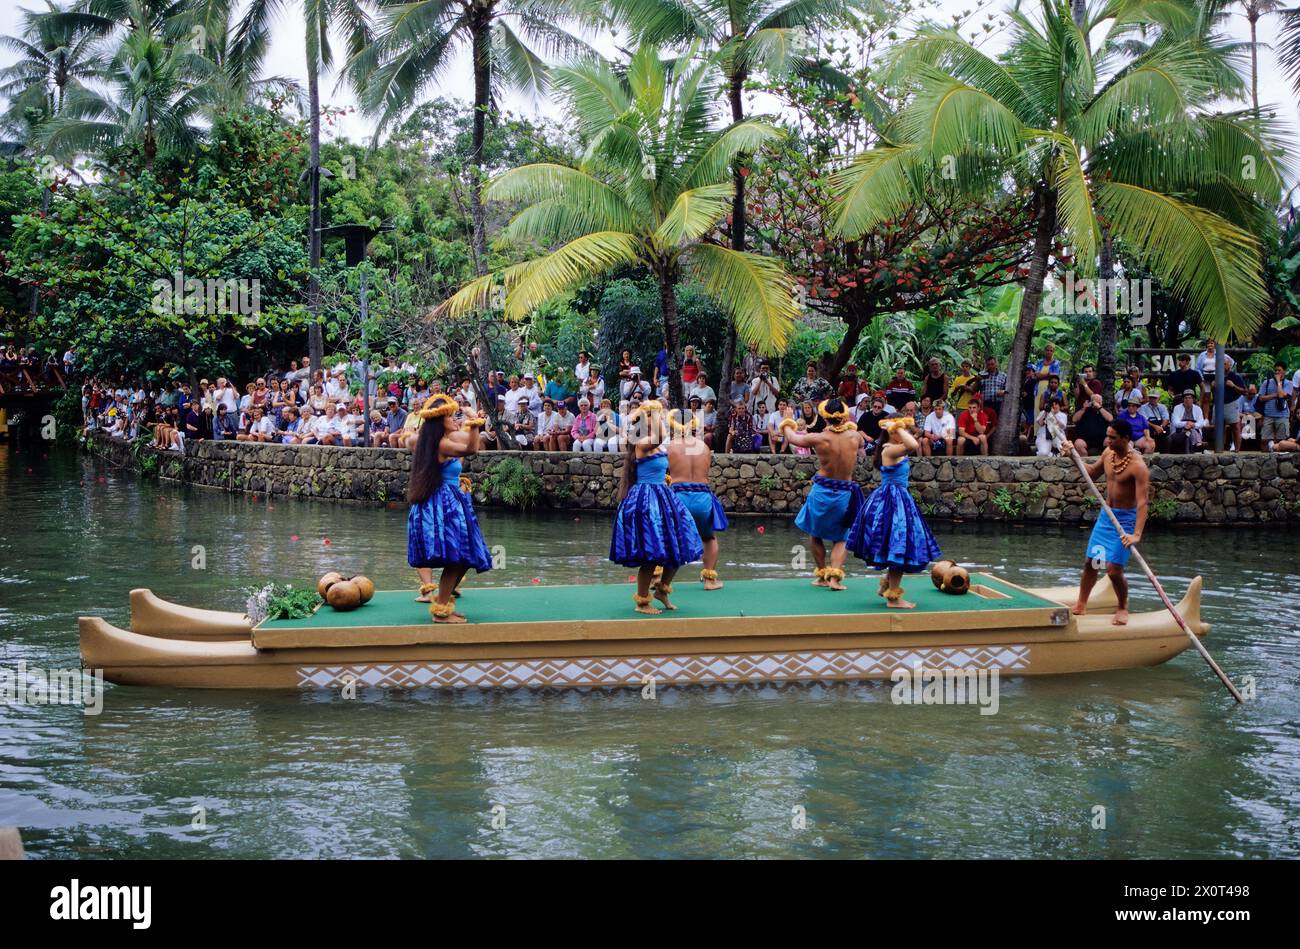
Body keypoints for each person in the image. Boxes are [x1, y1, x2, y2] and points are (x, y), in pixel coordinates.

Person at [610, 400, 704, 614]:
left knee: (678, 545)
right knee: (651, 554)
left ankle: (662, 590)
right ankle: (642, 602)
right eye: (654, 418)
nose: (658, 419)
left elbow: (666, 438)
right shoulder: (640, 443)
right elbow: (660, 435)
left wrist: (657, 413)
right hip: (645, 500)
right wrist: (652, 411)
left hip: (663, 497)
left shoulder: (658, 444)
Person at [407, 395, 492, 623]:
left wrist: (470, 425)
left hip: (448, 502)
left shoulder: (436, 439)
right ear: (439, 421)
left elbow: (470, 444)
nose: (454, 418)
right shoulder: (440, 443)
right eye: (449, 416)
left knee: (462, 556)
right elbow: (471, 449)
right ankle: (441, 610)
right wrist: (474, 422)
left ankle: (443, 605)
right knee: (458, 556)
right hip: (442, 505)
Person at [847, 417, 942, 609]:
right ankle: (893, 598)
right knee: (898, 544)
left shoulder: (893, 446)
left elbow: (915, 436)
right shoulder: (889, 450)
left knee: (896, 544)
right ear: (894, 432)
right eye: (902, 430)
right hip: (892, 502)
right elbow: (914, 444)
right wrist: (895, 427)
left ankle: (886, 585)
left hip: (898, 498)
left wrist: (902, 427)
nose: (905, 432)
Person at [1062, 416, 1149, 626]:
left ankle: (1122, 607)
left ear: (1126, 438)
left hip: (1126, 522)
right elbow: (1091, 472)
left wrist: (1136, 534)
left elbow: (1143, 502)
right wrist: (1073, 456)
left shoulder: (1138, 466)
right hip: (1106, 517)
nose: (1107, 441)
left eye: (1112, 437)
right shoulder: (1108, 454)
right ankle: (1082, 604)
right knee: (1092, 563)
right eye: (1107, 436)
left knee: (1113, 569)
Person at [783, 399, 864, 592]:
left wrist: (787, 420)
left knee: (816, 533)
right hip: (844, 493)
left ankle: (821, 575)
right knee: (841, 537)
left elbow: (793, 438)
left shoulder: (818, 438)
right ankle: (835, 577)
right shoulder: (856, 437)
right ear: (844, 416)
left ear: (824, 417)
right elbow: (861, 448)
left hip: (822, 491)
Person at [668, 412, 728, 591]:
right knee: (708, 538)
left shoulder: (671, 446)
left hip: (679, 497)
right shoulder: (704, 447)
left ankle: (660, 580)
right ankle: (709, 580)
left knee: (671, 538)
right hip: (702, 496)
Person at [1258, 362, 1293, 450]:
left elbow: (1281, 395)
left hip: (1282, 415)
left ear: (1284, 371)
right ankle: (1264, 460)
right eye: (1275, 370)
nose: (1277, 372)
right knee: (1264, 439)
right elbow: (1261, 398)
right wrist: (1274, 395)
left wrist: (1278, 382)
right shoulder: (1267, 382)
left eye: (1279, 370)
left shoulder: (1288, 383)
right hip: (1268, 415)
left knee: (1281, 440)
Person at [1170, 389, 1207, 453]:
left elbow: (1201, 423)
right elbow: (1175, 423)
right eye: (1186, 398)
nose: (1187, 400)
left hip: (1193, 430)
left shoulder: (1198, 409)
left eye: (1190, 398)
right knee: (1188, 432)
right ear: (1183, 399)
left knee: (1189, 432)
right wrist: (1186, 423)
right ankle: (1198, 443)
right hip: (1179, 432)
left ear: (1193, 399)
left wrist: (1193, 425)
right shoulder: (1177, 408)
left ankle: (1191, 450)